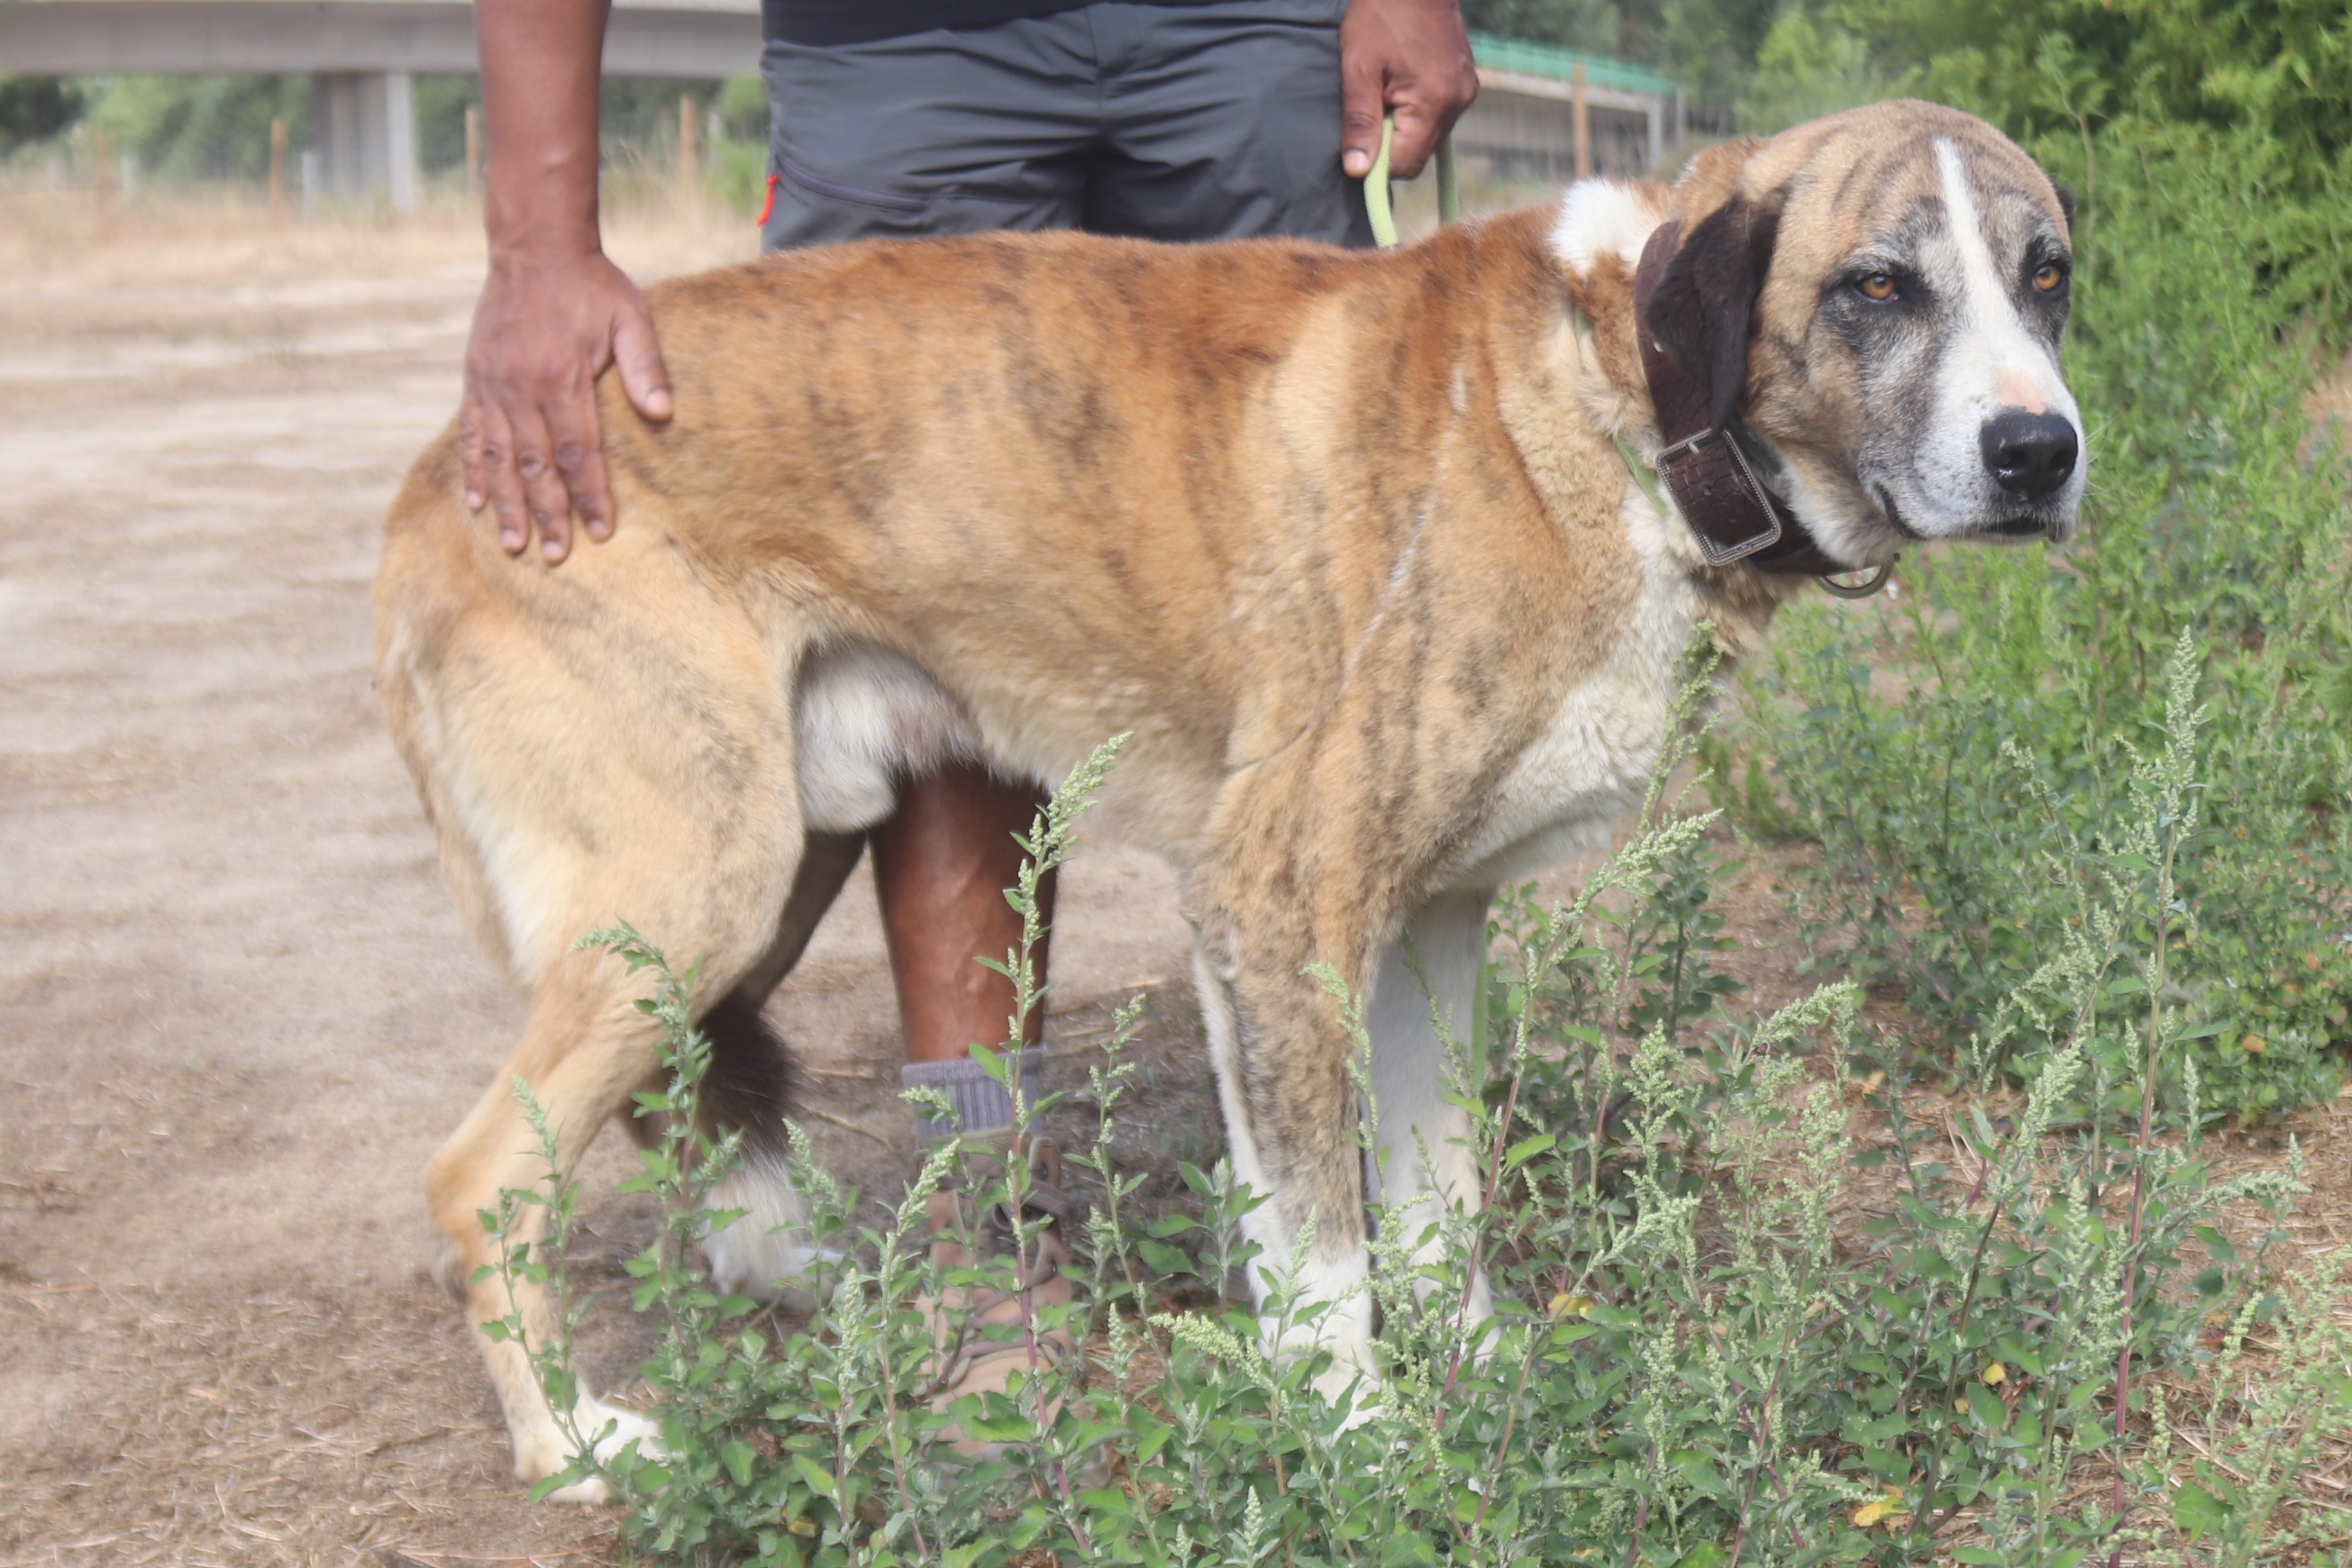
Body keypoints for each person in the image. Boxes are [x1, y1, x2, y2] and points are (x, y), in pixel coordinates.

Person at [460, 0, 1478, 1144]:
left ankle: (1353, 1204)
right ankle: (977, 1191)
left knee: (1318, 588)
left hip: (1245, 30)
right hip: (903, 44)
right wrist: (538, 245)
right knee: (939, 584)